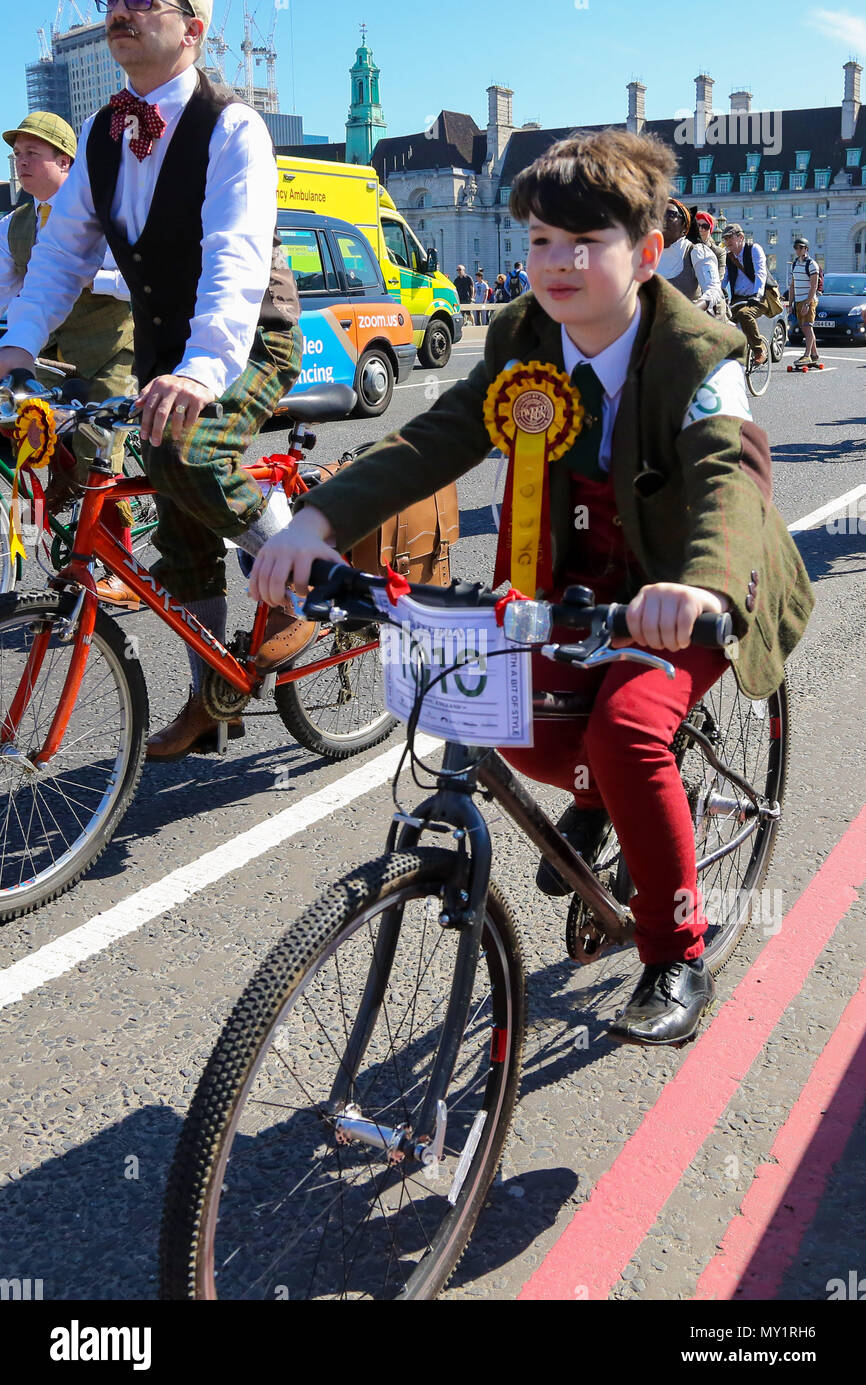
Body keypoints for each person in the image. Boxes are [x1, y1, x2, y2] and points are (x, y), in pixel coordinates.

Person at [250, 127, 813, 1049]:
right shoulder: (523, 336)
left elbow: (728, 480)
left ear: (649, 252)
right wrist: (319, 522)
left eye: (585, 243)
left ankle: (677, 950)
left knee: (627, 730)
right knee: (516, 721)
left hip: (683, 591)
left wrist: (700, 589)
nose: (556, 263)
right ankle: (596, 802)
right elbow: (436, 436)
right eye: (541, 240)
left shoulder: (698, 354)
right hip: (566, 582)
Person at [0, 0, 305, 762]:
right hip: (166, 352)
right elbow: (63, 255)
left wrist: (203, 368)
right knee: (175, 524)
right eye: (114, 1)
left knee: (187, 457)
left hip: (248, 339)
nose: (121, 12)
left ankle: (312, 581)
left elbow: (234, 258)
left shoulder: (233, 126)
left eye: (146, 0)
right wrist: (16, 348)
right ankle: (213, 697)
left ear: (193, 29)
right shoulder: (107, 133)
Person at [0, 111, 138, 606]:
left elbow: (131, 284)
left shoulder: (100, 214)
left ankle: (124, 565)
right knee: (15, 433)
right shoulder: (14, 226)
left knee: (97, 453)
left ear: (65, 161)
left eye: (32, 154)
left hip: (112, 352)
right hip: (53, 358)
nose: (21, 163)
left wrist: (80, 275)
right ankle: (27, 530)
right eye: (16, 155)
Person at [657, 198, 723, 314]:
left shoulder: (696, 251)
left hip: (688, 323)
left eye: (670, 214)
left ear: (684, 225)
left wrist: (691, 311)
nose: (663, 219)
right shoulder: (646, 254)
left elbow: (713, 291)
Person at [721, 224, 772, 365]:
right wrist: (716, 292)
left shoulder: (754, 249)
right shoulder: (728, 256)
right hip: (737, 299)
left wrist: (757, 294)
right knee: (722, 319)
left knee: (745, 315)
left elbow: (761, 273)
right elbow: (724, 278)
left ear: (741, 237)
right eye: (725, 238)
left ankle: (759, 350)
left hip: (758, 297)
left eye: (730, 237)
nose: (727, 241)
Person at [788, 237, 821, 368]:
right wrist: (790, 303)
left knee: (807, 327)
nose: (797, 250)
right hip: (798, 300)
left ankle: (807, 355)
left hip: (809, 300)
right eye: (796, 247)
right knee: (805, 327)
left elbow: (814, 286)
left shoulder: (812, 264)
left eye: (800, 247)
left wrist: (807, 303)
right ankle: (814, 355)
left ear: (806, 249)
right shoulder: (795, 263)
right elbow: (792, 285)